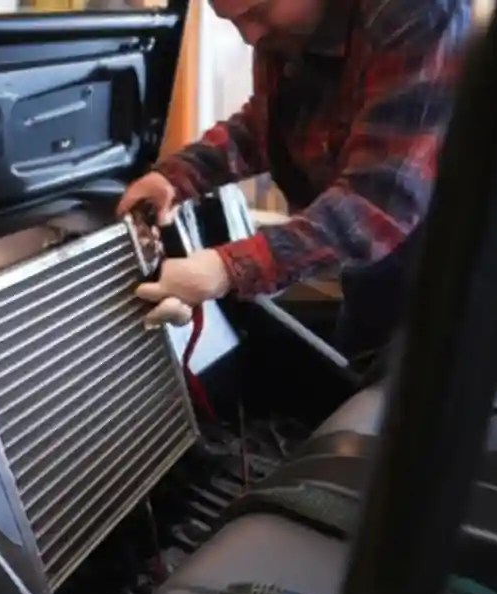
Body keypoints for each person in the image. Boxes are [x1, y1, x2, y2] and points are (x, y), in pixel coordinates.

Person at [119, 0, 475, 358]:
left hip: (460, 285)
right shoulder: (287, 36)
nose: (251, 37)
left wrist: (225, 269)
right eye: (234, 22)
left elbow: (380, 200)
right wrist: (174, 177)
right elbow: (265, 127)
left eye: (258, 12)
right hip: (375, 275)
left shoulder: (418, 12)